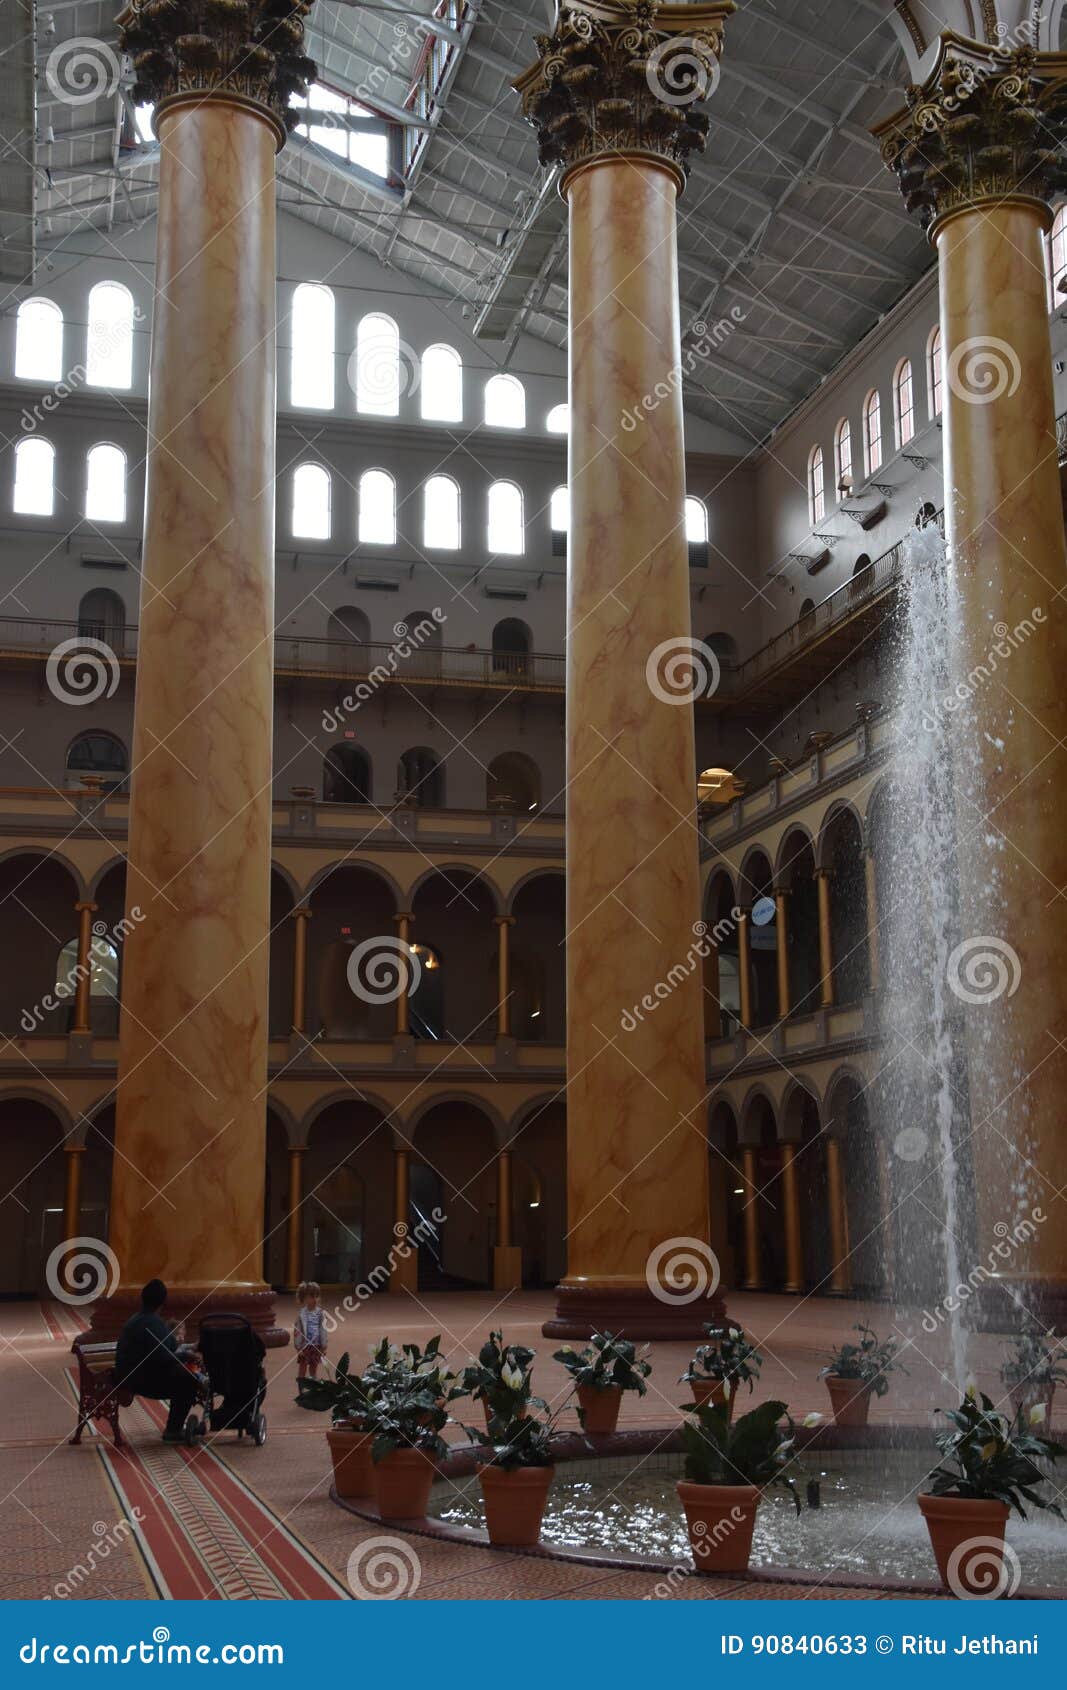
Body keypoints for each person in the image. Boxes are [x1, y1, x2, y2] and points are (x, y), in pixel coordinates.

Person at [114, 1279, 200, 1442]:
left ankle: (174, 1428)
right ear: (163, 1302)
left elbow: (167, 1347)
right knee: (189, 1380)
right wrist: (186, 1356)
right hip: (139, 1381)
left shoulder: (136, 1319)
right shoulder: (153, 1322)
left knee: (182, 1373)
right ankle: (173, 1430)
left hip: (126, 1375)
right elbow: (163, 1357)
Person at [293, 1281, 327, 1379]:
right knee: (302, 1367)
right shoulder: (301, 1314)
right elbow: (297, 1331)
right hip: (305, 1346)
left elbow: (323, 1329)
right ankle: (301, 1385)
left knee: (313, 1368)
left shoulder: (321, 1313)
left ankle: (314, 1386)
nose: (315, 1299)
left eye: (317, 1296)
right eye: (312, 1296)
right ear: (304, 1298)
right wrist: (298, 1348)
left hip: (316, 1346)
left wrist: (324, 1346)